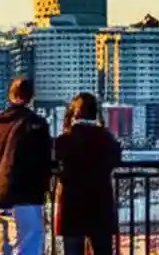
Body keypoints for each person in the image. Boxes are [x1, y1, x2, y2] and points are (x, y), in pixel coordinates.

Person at [0, 77, 52, 255]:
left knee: (1, 248)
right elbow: (45, 160)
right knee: (28, 245)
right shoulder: (35, 124)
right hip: (26, 195)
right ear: (31, 97)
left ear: (10, 95)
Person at [53, 92, 121, 255]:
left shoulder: (64, 140)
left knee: (72, 250)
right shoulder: (107, 139)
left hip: (72, 205)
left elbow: (54, 165)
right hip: (100, 204)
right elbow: (115, 160)